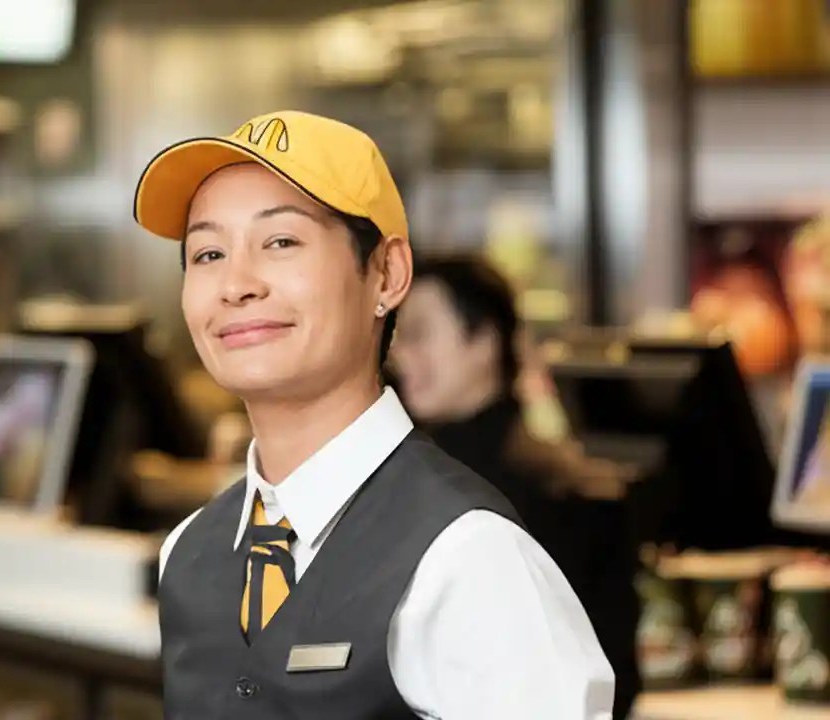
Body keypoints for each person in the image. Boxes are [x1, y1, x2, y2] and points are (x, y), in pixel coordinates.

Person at [139, 110, 614, 719]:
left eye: (280, 242)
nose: (236, 284)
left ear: (387, 275)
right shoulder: (189, 552)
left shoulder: (467, 557)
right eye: (207, 253)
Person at [389, 254, 640, 718]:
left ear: (484, 341)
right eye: (398, 337)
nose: (401, 354)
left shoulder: (557, 496)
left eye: (419, 334)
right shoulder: (404, 473)